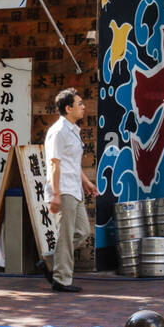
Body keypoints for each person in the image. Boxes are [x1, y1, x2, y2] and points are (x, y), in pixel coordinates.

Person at [43, 89, 98, 293]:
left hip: (75, 188)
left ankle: (50, 261)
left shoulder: (73, 130)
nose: (84, 107)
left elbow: (72, 163)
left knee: (82, 232)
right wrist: (55, 194)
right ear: (68, 108)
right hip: (63, 189)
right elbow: (55, 164)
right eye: (80, 103)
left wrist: (86, 182)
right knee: (65, 236)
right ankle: (62, 280)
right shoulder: (58, 131)